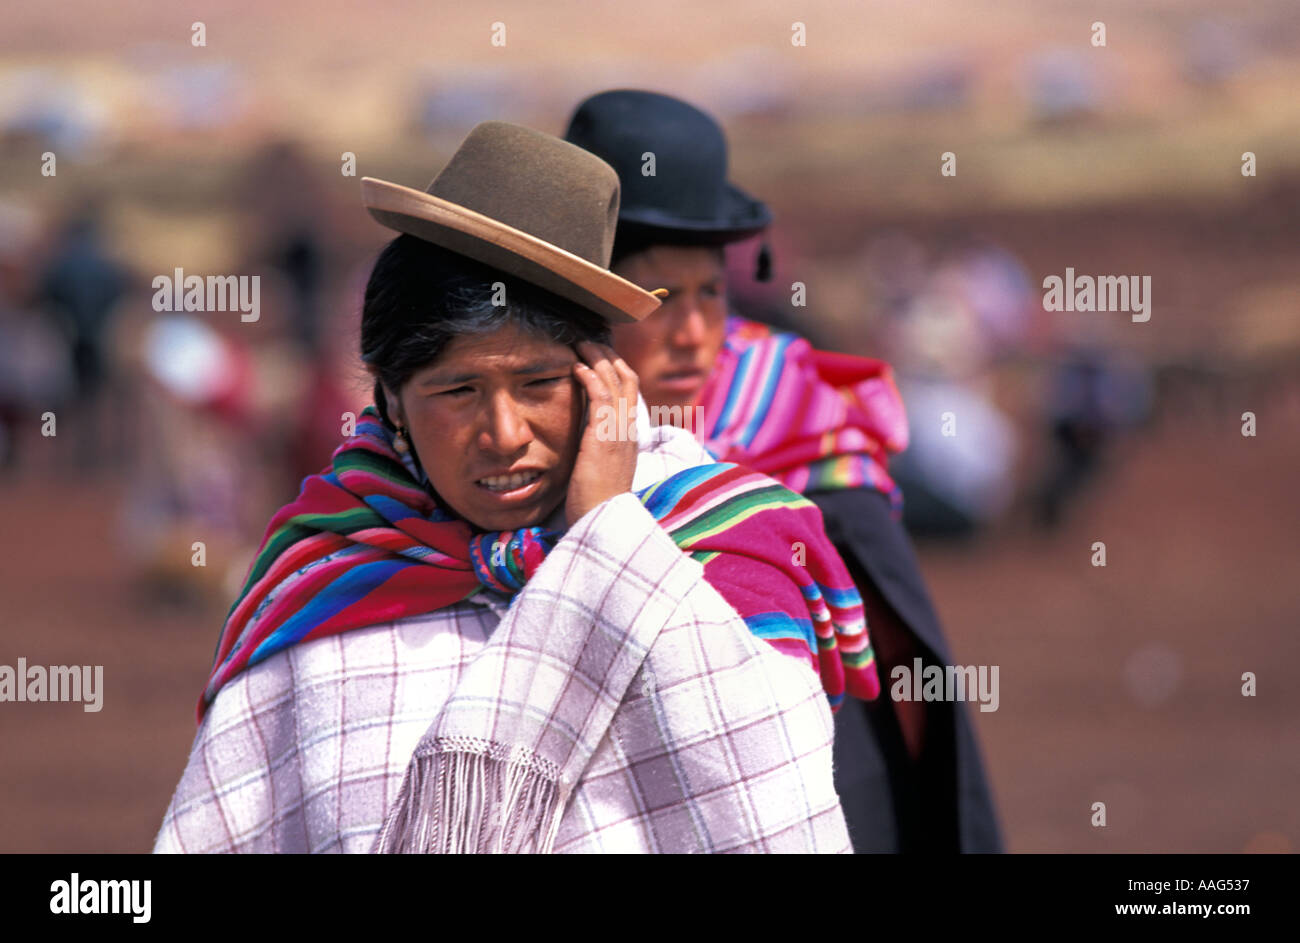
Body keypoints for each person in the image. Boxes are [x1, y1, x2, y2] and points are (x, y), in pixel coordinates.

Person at [154, 121, 881, 854]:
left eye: (539, 384)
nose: (502, 433)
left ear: (606, 380)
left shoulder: (719, 548)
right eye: (458, 390)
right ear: (394, 403)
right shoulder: (329, 575)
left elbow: (770, 807)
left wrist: (607, 529)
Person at [564, 90, 1003, 852]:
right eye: (659, 298)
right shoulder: (530, 443)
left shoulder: (802, 424)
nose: (695, 333)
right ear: (584, 302)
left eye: (712, 292)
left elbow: (901, 675)